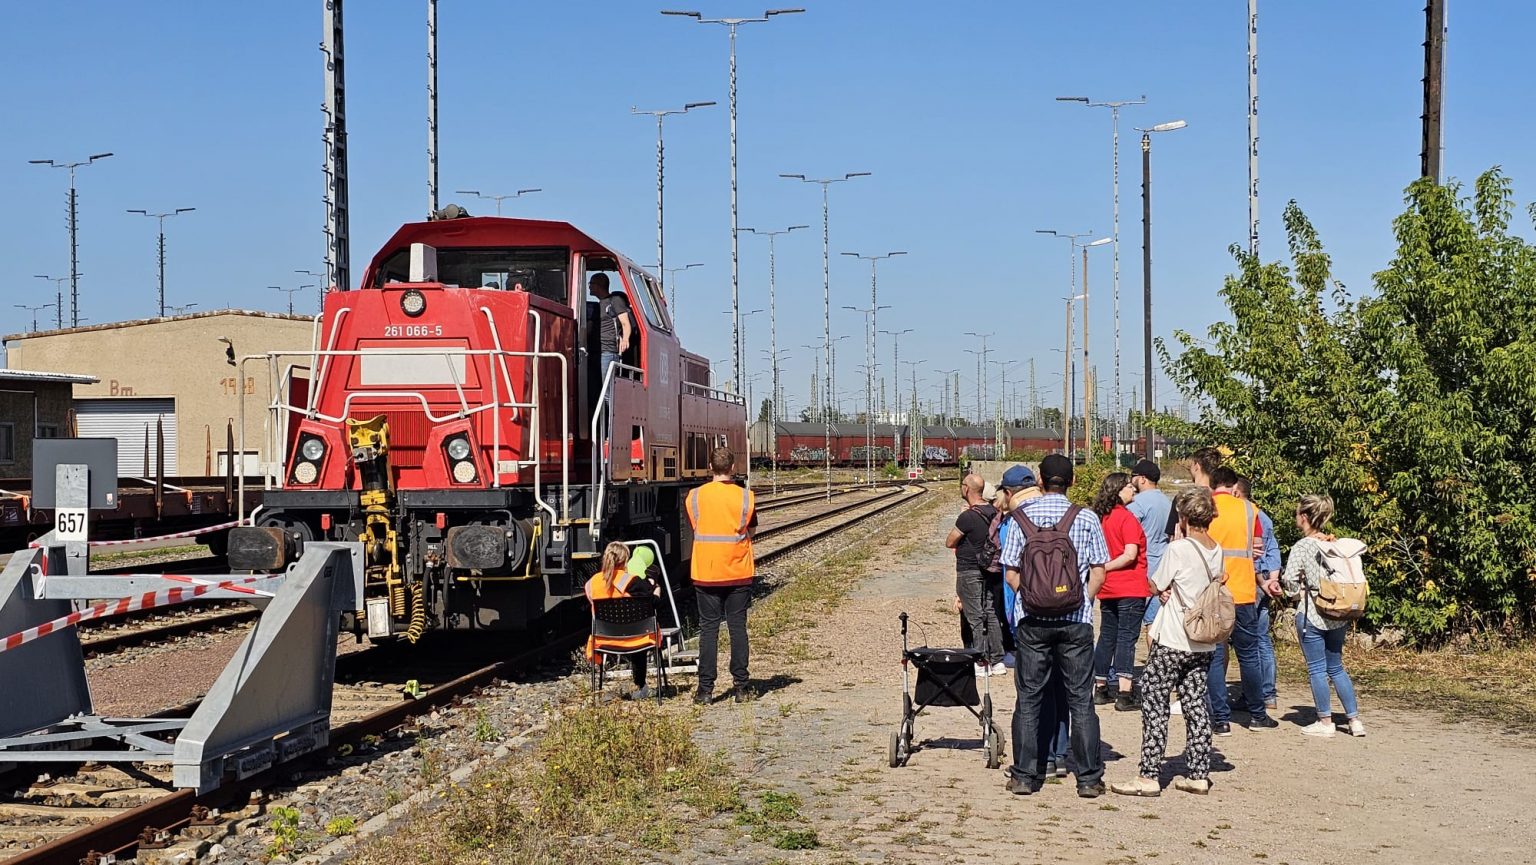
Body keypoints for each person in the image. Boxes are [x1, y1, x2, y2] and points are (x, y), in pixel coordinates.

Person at [1001, 454, 1109, 798]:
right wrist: (1081, 600)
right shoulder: (1087, 517)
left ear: (1039, 481)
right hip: (1075, 624)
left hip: (1032, 623)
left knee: (1029, 699)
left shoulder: (1019, 518)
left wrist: (1033, 597)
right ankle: (1089, 778)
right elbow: (1099, 571)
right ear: (1072, 481)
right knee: (1081, 701)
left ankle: (1024, 776)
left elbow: (1011, 573)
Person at [1110, 486, 1223, 797]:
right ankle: (1199, 772)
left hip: (1173, 637)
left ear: (1183, 517)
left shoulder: (1178, 549)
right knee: (1195, 703)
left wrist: (1162, 584)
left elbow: (1155, 583)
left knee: (1155, 702)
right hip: (1202, 641)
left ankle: (1148, 774)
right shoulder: (1217, 550)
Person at [995, 465, 1069, 776]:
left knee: (1031, 692)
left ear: (1009, 493)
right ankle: (1060, 756)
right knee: (1062, 689)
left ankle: (1036, 760)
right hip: (1070, 614)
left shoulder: (1015, 523)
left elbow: (1009, 574)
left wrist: (1023, 605)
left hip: (1030, 616)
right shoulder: (1074, 515)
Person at [1281, 494, 1366, 738]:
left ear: (1305, 517)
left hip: (1313, 613)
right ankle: (1354, 720)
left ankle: (1325, 720)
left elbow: (1291, 582)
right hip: (1338, 613)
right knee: (1336, 667)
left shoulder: (1303, 546)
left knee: (1317, 668)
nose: (1296, 517)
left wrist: (1290, 591)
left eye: (1298, 514)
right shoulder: (1333, 543)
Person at [1201, 457, 1275, 734]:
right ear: (1234, 487)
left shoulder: (1205, 509)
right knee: (1249, 655)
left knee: (1215, 656)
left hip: (1214, 591)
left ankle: (1220, 719)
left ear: (1212, 486)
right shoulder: (1250, 509)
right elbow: (1257, 549)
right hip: (1244, 591)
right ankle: (1258, 715)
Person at [686, 447, 758, 705]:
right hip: (738, 571)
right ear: (732, 467)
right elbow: (751, 530)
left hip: (706, 572)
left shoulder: (694, 496)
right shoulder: (746, 497)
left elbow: (697, 526)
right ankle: (741, 687)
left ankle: (705, 690)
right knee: (738, 628)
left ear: (710, 467)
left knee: (708, 630)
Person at [1092, 472, 1150, 712]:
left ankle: (1101, 686)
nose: (1133, 490)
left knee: (1107, 636)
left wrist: (1100, 569)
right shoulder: (1126, 518)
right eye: (1128, 486)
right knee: (1127, 637)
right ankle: (1125, 692)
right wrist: (1107, 565)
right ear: (1117, 490)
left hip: (1107, 587)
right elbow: (1130, 554)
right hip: (1130, 585)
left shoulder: (1101, 518)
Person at [584, 542, 663, 701]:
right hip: (638, 638)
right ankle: (641, 686)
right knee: (639, 628)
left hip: (604, 639)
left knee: (632, 628)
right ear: (625, 560)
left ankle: (597, 691)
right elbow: (652, 602)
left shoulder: (592, 583)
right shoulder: (630, 581)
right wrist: (655, 586)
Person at [946, 474, 1005, 676]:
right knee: (990, 612)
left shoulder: (967, 517)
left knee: (975, 616)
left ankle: (981, 662)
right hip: (991, 570)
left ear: (967, 489)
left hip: (969, 570)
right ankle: (998, 660)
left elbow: (950, 541)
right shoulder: (994, 512)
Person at [1234, 475, 1282, 711]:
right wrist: (1273, 579)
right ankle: (1267, 693)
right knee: (1262, 639)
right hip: (1264, 581)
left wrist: (1262, 582)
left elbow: (1250, 556)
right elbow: (1273, 552)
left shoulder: (1246, 516)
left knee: (1248, 643)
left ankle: (1254, 694)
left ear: (1236, 492)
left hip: (1253, 583)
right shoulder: (1263, 516)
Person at [588, 272, 634, 380]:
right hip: (595, 351)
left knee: (607, 389)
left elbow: (625, 323)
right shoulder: (597, 306)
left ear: (600, 285)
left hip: (608, 352)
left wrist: (625, 339)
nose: (589, 286)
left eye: (591, 283)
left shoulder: (615, 301)